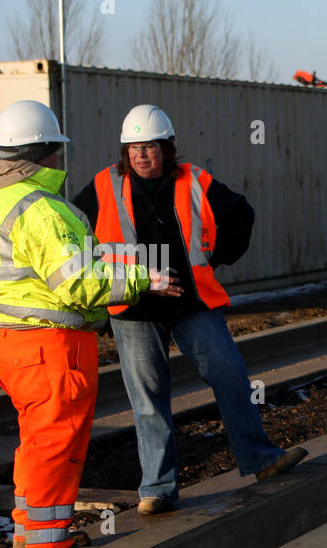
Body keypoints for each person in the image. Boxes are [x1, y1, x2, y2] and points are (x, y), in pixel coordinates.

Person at [0, 100, 183, 548]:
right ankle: (47, 543)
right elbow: (78, 284)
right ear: (42, 152)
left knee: (35, 438)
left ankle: (29, 529)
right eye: (56, 150)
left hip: (7, 341)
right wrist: (145, 280)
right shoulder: (44, 210)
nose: (61, 159)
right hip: (50, 347)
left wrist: (123, 263)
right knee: (57, 441)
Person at [72, 104, 306, 515]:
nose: (142, 155)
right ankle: (158, 489)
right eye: (134, 148)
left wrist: (215, 257)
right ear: (124, 151)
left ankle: (262, 460)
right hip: (133, 310)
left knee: (231, 376)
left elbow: (240, 215)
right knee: (148, 399)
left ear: (167, 148)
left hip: (191, 303)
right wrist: (100, 285)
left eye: (151, 147)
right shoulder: (102, 187)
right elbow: (74, 234)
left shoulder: (194, 180)